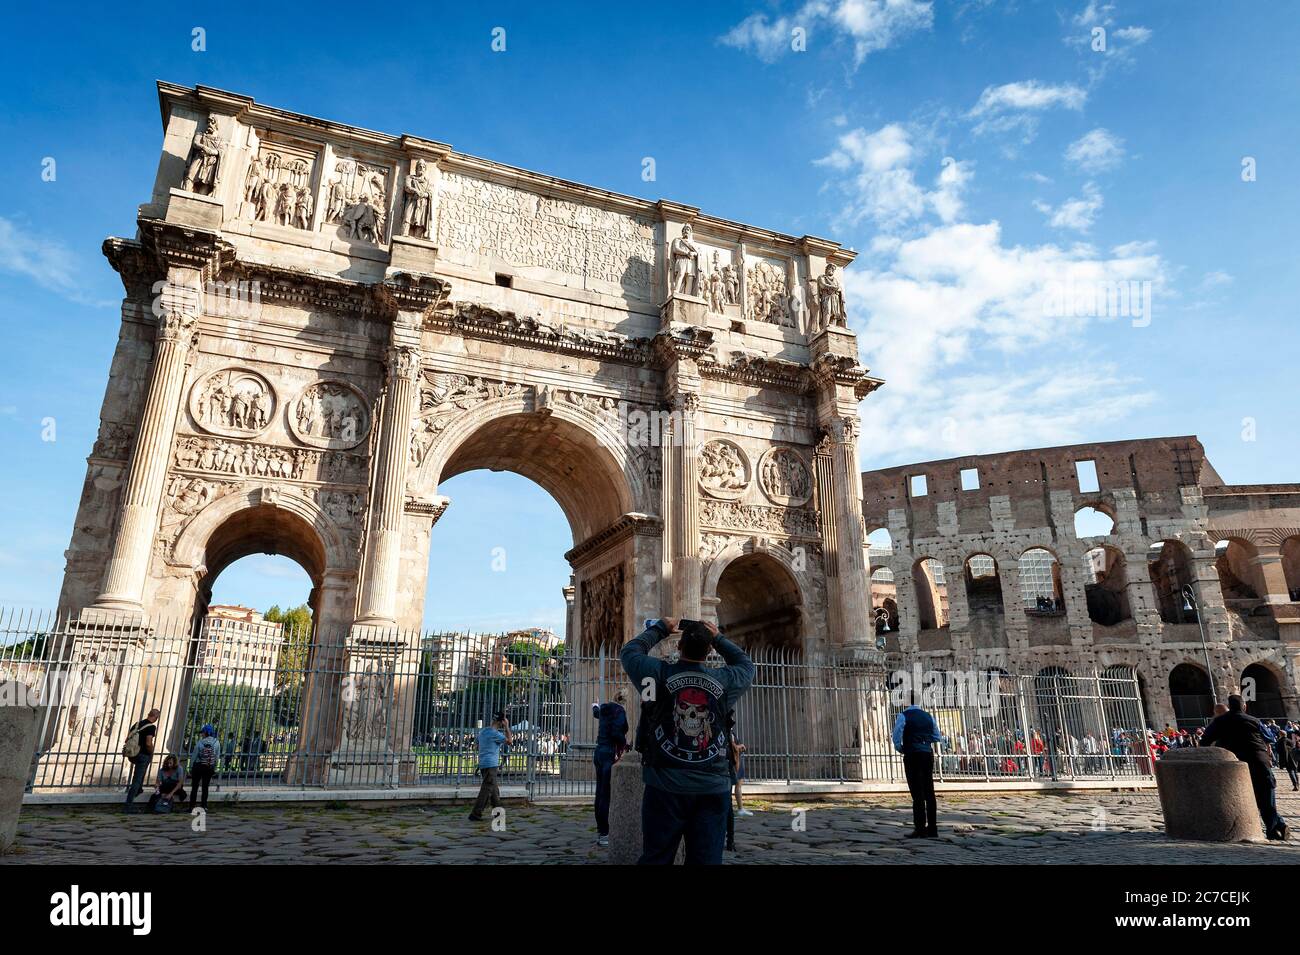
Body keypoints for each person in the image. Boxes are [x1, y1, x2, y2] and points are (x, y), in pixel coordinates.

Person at [621, 617, 754, 865]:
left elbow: (630, 652)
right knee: (706, 860)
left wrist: (660, 628)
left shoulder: (655, 675)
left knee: (656, 858)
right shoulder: (725, 680)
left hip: (664, 785)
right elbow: (746, 664)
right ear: (709, 650)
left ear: (678, 646)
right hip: (712, 786)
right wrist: (718, 638)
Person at [1201, 694, 1289, 840]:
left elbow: (1204, 741)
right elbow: (1270, 738)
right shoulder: (1254, 720)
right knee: (1266, 796)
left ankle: (1276, 825)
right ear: (1244, 706)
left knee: (1246, 797)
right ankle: (1274, 827)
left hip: (1234, 765)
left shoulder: (1220, 722)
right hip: (1259, 761)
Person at [893, 700, 941, 838]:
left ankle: (920, 828)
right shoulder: (928, 716)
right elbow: (936, 736)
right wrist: (925, 741)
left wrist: (901, 748)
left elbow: (897, 735)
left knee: (917, 792)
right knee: (929, 791)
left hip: (912, 753)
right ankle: (933, 828)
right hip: (927, 754)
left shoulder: (904, 715)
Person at [591, 690, 629, 848]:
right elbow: (617, 732)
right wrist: (625, 744)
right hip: (608, 753)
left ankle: (601, 830)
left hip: (599, 752)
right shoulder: (619, 711)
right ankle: (605, 834)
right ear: (624, 700)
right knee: (606, 794)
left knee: (600, 792)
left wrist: (595, 705)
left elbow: (596, 713)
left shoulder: (605, 709)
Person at [468, 712, 512, 822]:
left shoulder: (483, 731)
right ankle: (475, 813)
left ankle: (498, 814)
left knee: (494, 791)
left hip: (482, 763)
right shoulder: (495, 734)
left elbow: (476, 745)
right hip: (491, 764)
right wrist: (507, 727)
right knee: (486, 790)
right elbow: (510, 741)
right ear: (501, 722)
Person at [123, 708, 160, 813]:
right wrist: (151, 752)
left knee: (138, 776)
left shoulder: (137, 724)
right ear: (156, 718)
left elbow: (128, 738)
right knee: (137, 780)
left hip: (133, 754)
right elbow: (148, 743)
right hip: (143, 755)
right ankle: (128, 806)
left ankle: (139, 789)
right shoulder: (151, 727)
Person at [188, 724, 220, 810]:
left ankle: (192, 806)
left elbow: (194, 756)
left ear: (205, 733)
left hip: (198, 766)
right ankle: (204, 805)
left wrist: (190, 767)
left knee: (195, 786)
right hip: (209, 766)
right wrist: (215, 767)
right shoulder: (216, 742)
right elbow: (217, 756)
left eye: (202, 732)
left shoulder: (200, 742)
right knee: (205, 787)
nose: (201, 734)